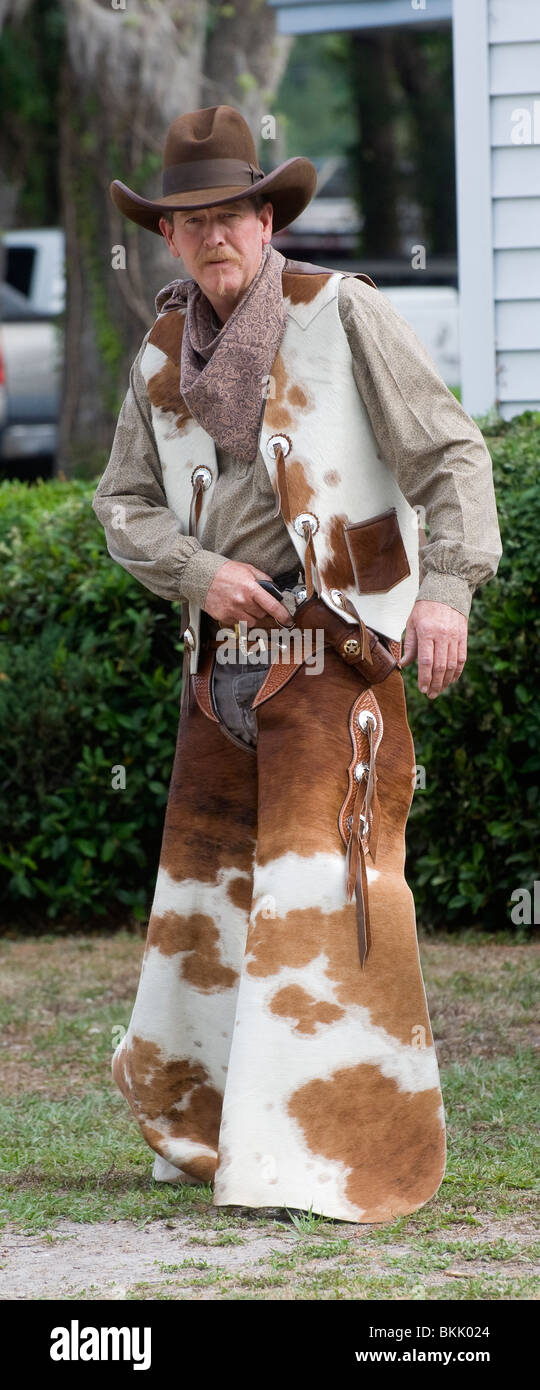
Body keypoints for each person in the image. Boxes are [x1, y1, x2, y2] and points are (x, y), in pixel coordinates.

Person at [92, 105, 502, 1224]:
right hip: (220, 657)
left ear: (267, 219)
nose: (213, 234)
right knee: (207, 904)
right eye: (190, 219)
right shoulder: (162, 353)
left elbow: (449, 452)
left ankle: (323, 1155)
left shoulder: (342, 314)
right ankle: (213, 1131)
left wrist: (447, 593)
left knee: (325, 900)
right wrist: (196, 571)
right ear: (168, 238)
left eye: (232, 212)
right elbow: (120, 503)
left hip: (332, 651)